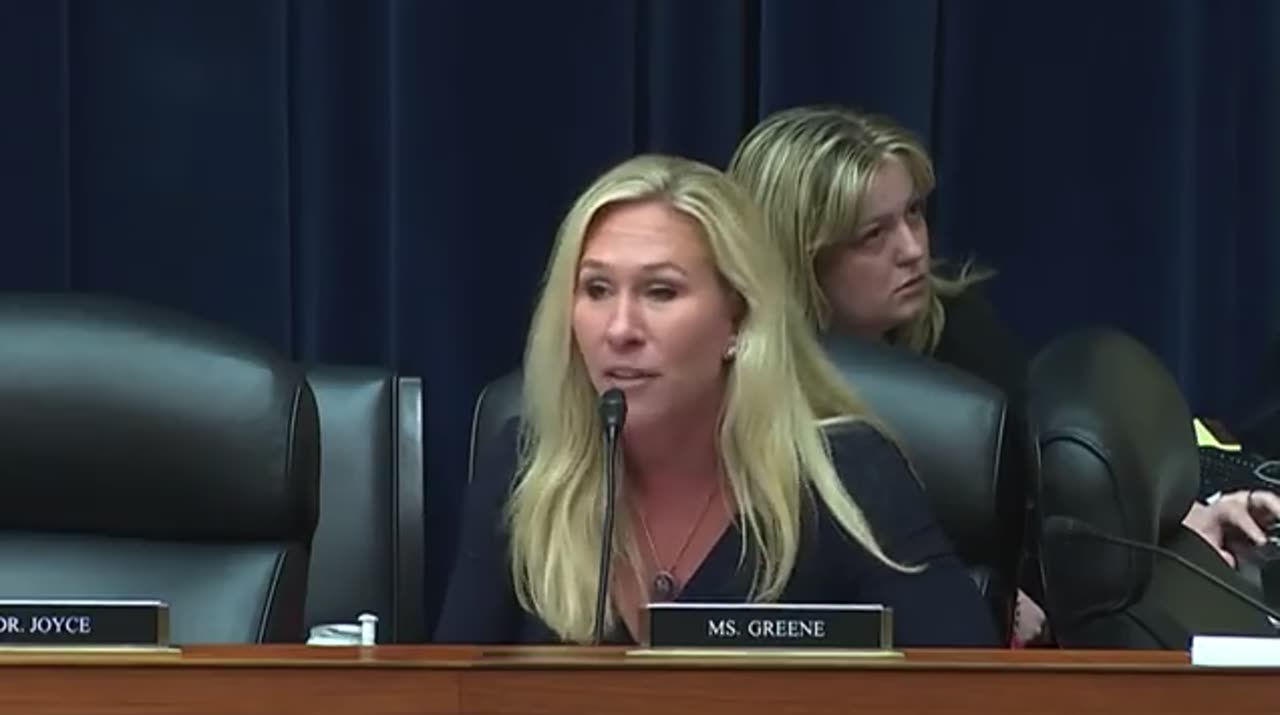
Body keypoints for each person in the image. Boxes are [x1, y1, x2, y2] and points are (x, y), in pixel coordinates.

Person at [726, 104, 1280, 644]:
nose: (913, 249)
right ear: (799, 254)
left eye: (914, 213)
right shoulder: (749, 397)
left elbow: (1053, 499)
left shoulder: (956, 327)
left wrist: (1190, 519)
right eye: (874, 235)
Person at [434, 153, 999, 647]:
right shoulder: (526, 467)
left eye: (661, 291)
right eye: (597, 289)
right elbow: (450, 694)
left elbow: (974, 694)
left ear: (740, 319)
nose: (620, 328)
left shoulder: (846, 476)